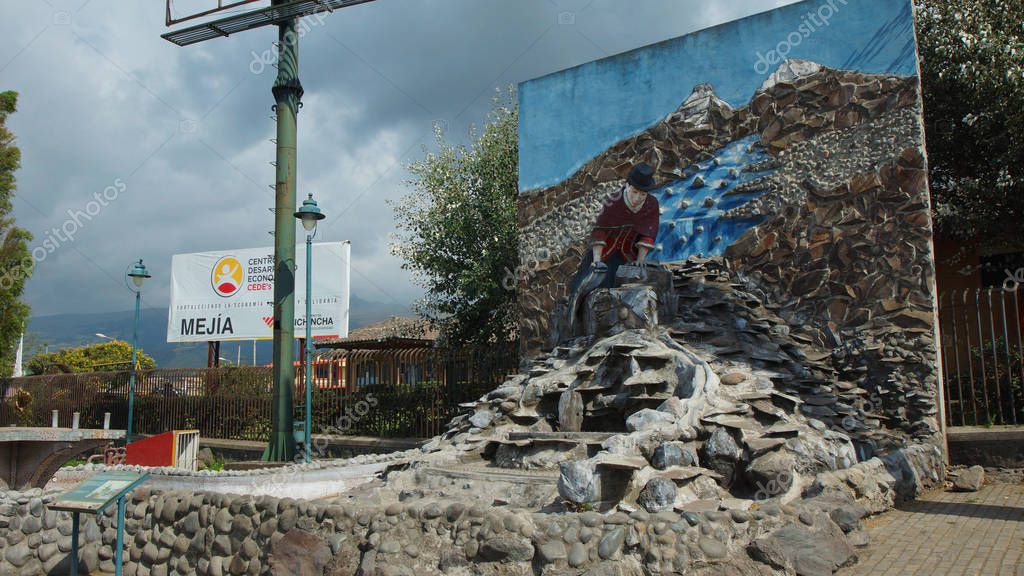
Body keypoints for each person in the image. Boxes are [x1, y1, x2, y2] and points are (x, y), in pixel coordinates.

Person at [565, 163, 661, 333]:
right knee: (588, 287)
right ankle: (578, 327)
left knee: (626, 290)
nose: (638, 198)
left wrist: (640, 260)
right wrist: (596, 261)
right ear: (628, 186)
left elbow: (648, 232)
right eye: (635, 192)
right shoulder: (612, 200)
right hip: (602, 254)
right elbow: (599, 230)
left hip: (627, 255)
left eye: (643, 194)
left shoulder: (651, 205)